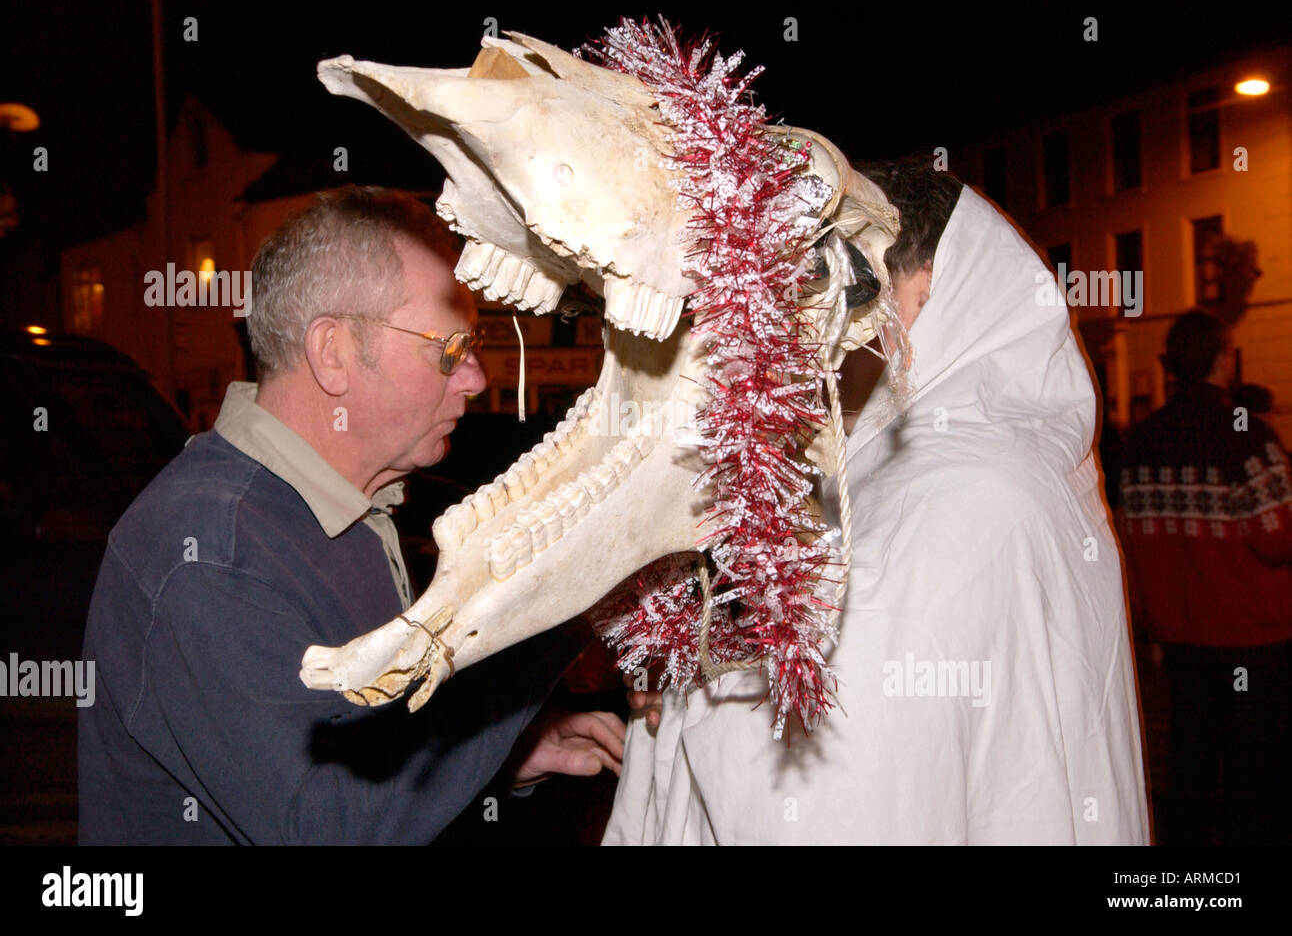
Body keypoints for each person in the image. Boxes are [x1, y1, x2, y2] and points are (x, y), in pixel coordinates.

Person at [603, 157, 1150, 844]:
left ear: (924, 285)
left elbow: (837, 781)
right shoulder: (1017, 460)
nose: (819, 338)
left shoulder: (950, 489)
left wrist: (689, 686)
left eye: (847, 289)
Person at [79, 186, 626, 844]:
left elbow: (366, 745)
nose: (476, 379)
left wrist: (496, 755)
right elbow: (327, 821)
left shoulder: (344, 510)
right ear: (332, 351)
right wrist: (556, 599)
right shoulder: (205, 549)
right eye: (449, 350)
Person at [1119, 311, 1292, 844]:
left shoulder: (1139, 443)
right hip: (1252, 643)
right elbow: (1279, 536)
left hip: (1181, 643)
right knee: (1255, 777)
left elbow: (1131, 541)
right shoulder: (1245, 437)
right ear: (1223, 359)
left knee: (1189, 768)